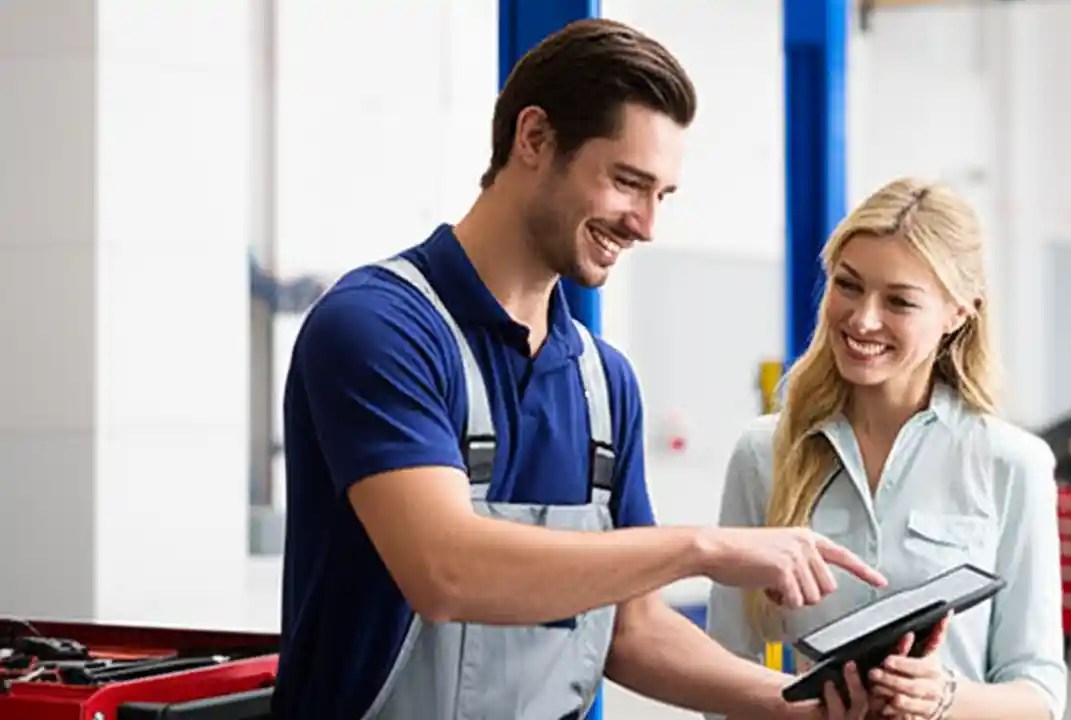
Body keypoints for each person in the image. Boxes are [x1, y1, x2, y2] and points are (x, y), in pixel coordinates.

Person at [271, 18, 891, 720]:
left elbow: (636, 630)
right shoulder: (380, 327)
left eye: (663, 195)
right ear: (534, 139)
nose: (647, 225)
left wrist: (803, 706)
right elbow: (445, 569)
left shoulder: (603, 385)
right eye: (628, 182)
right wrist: (704, 548)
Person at [705, 178, 1068, 720]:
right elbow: (723, 667)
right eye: (848, 286)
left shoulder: (1012, 464)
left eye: (898, 300)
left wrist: (943, 696)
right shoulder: (764, 454)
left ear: (958, 314)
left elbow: (1039, 694)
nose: (863, 319)